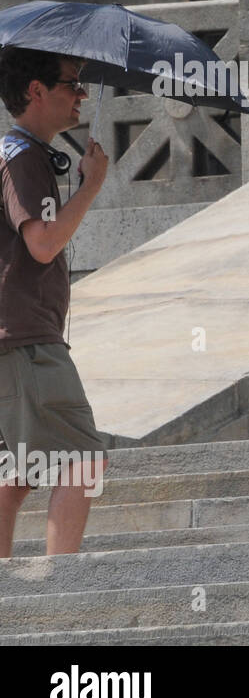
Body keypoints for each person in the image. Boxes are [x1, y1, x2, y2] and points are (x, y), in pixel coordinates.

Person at [0, 47, 110, 556]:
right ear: (36, 91)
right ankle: (59, 590)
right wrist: (89, 187)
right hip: (26, 337)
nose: (81, 94)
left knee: (16, 471)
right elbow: (42, 242)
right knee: (82, 459)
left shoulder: (16, 153)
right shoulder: (23, 157)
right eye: (71, 83)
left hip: (15, 334)